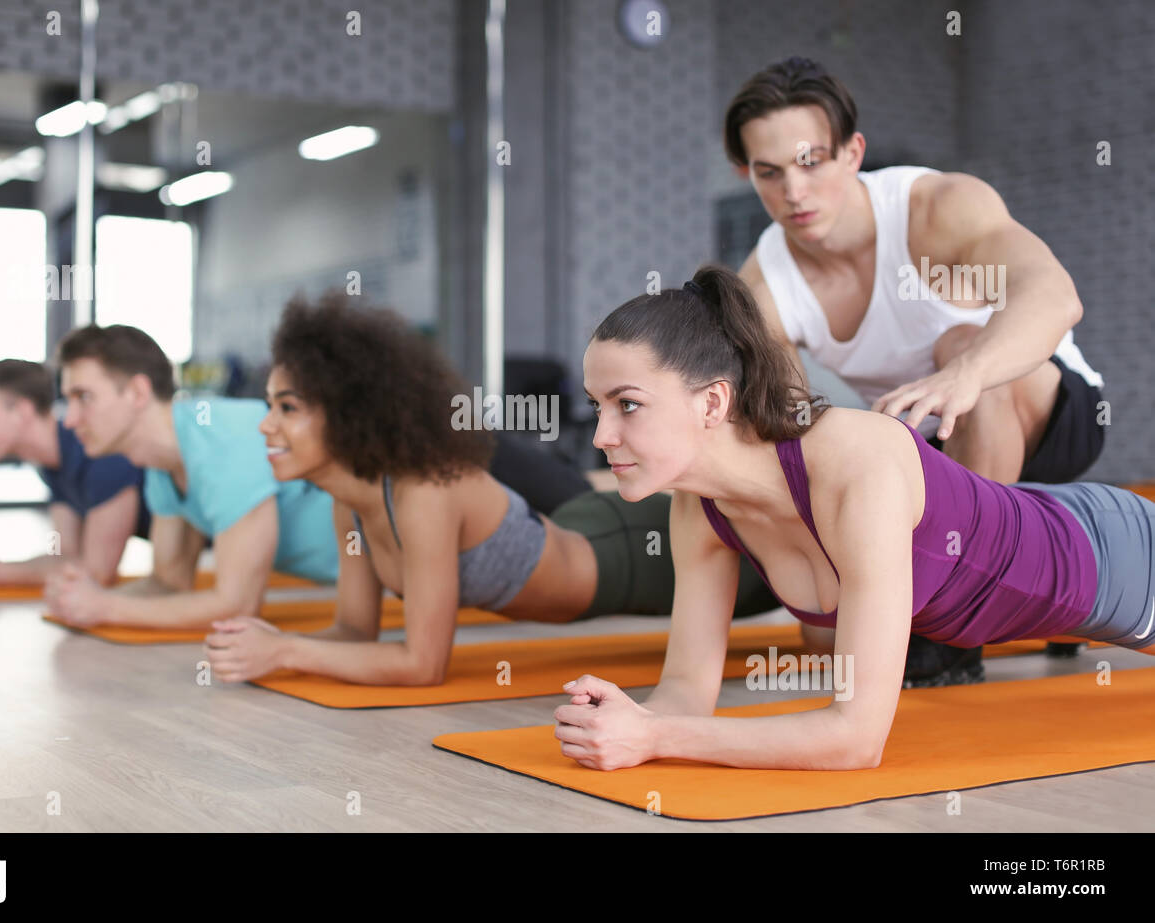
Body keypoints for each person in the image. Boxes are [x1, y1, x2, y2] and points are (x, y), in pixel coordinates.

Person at [552, 265, 1152, 772]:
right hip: (1063, 567)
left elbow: (856, 740)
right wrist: (628, 719)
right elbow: (686, 691)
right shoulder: (699, 508)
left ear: (712, 402)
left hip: (1119, 557)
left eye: (627, 404)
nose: (602, 435)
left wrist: (656, 737)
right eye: (596, 406)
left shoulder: (857, 463)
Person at [721, 56, 1106, 685]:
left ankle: (958, 630)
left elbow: (1055, 296)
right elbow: (788, 427)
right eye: (770, 172)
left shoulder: (936, 208)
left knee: (959, 343)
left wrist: (968, 373)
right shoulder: (765, 283)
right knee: (825, 639)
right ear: (748, 172)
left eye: (811, 162)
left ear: (853, 152)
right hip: (926, 453)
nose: (794, 192)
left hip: (1047, 413)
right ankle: (1048, 593)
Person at [203, 292, 679, 686]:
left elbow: (422, 666)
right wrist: (268, 643)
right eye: (270, 405)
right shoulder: (351, 504)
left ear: (347, 413)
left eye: (287, 408)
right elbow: (353, 631)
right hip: (584, 523)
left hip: (632, 552)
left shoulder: (422, 493)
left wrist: (286, 650)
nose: (265, 425)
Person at [43, 324, 338, 630]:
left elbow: (238, 607)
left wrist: (104, 606)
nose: (70, 420)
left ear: (138, 393)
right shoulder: (163, 462)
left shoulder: (223, 438)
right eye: (68, 400)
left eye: (83, 397)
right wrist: (81, 598)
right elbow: (168, 584)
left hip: (373, 575)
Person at [0, 359, 149, 587]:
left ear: (22, 410)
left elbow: (98, 572)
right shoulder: (50, 466)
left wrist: (2, 572)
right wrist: (1, 569)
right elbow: (62, 553)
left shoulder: (99, 453)